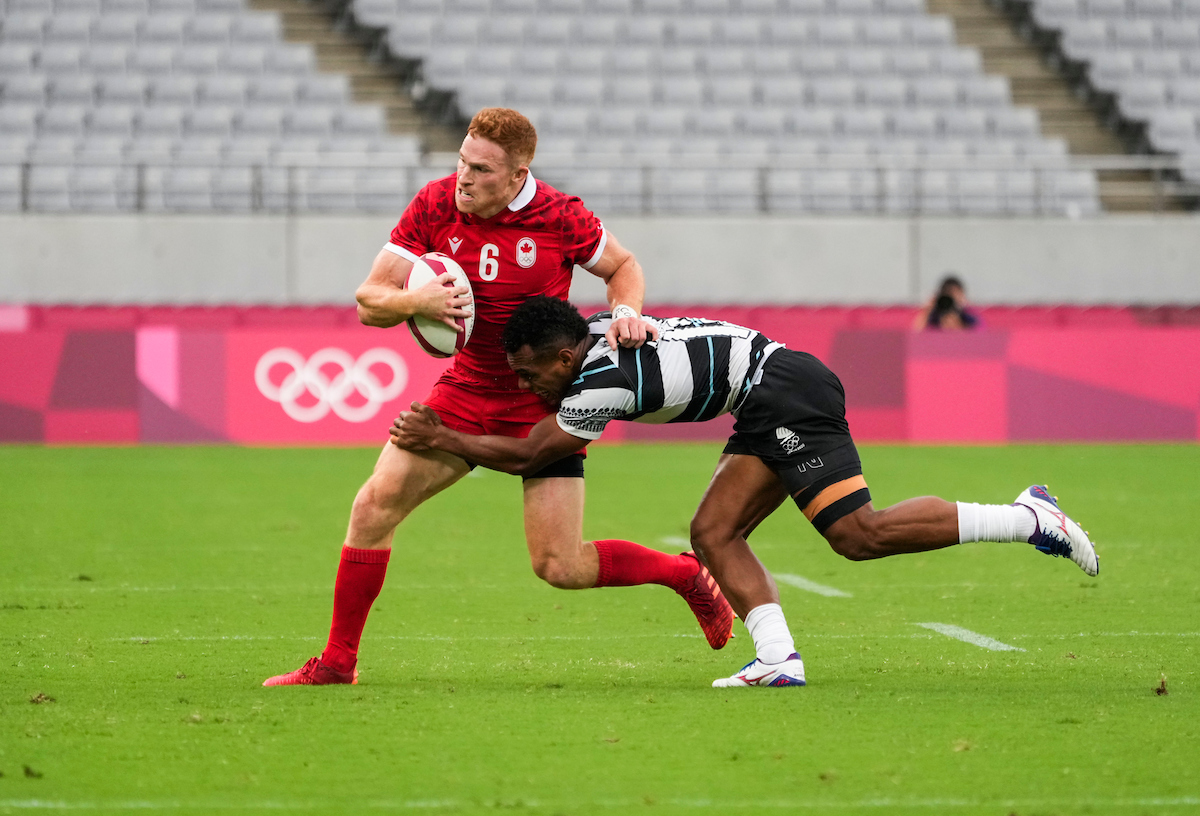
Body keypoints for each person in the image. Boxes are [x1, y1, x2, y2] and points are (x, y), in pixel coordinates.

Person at [390, 296, 1101, 688]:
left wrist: (443, 437)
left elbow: (534, 454)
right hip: (765, 390)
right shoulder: (599, 332)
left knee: (859, 536)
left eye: (528, 370)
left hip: (784, 391)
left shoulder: (597, 381)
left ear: (565, 353)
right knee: (714, 532)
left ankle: (1026, 517)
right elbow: (616, 322)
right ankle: (777, 659)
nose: (524, 383)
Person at [263, 109, 734, 687]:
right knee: (372, 508)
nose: (463, 177)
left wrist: (628, 311)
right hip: (464, 389)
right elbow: (369, 300)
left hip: (544, 400)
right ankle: (338, 663)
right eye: (461, 160)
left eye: (480, 169)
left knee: (559, 566)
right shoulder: (436, 203)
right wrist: (418, 303)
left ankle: (682, 574)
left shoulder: (561, 215)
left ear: (517, 176)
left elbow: (622, 265)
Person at [915, 274, 980, 331]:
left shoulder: (968, 314)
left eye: (956, 294)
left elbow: (979, 334)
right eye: (949, 293)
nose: (953, 299)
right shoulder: (934, 315)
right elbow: (917, 332)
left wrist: (958, 324)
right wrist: (928, 309)